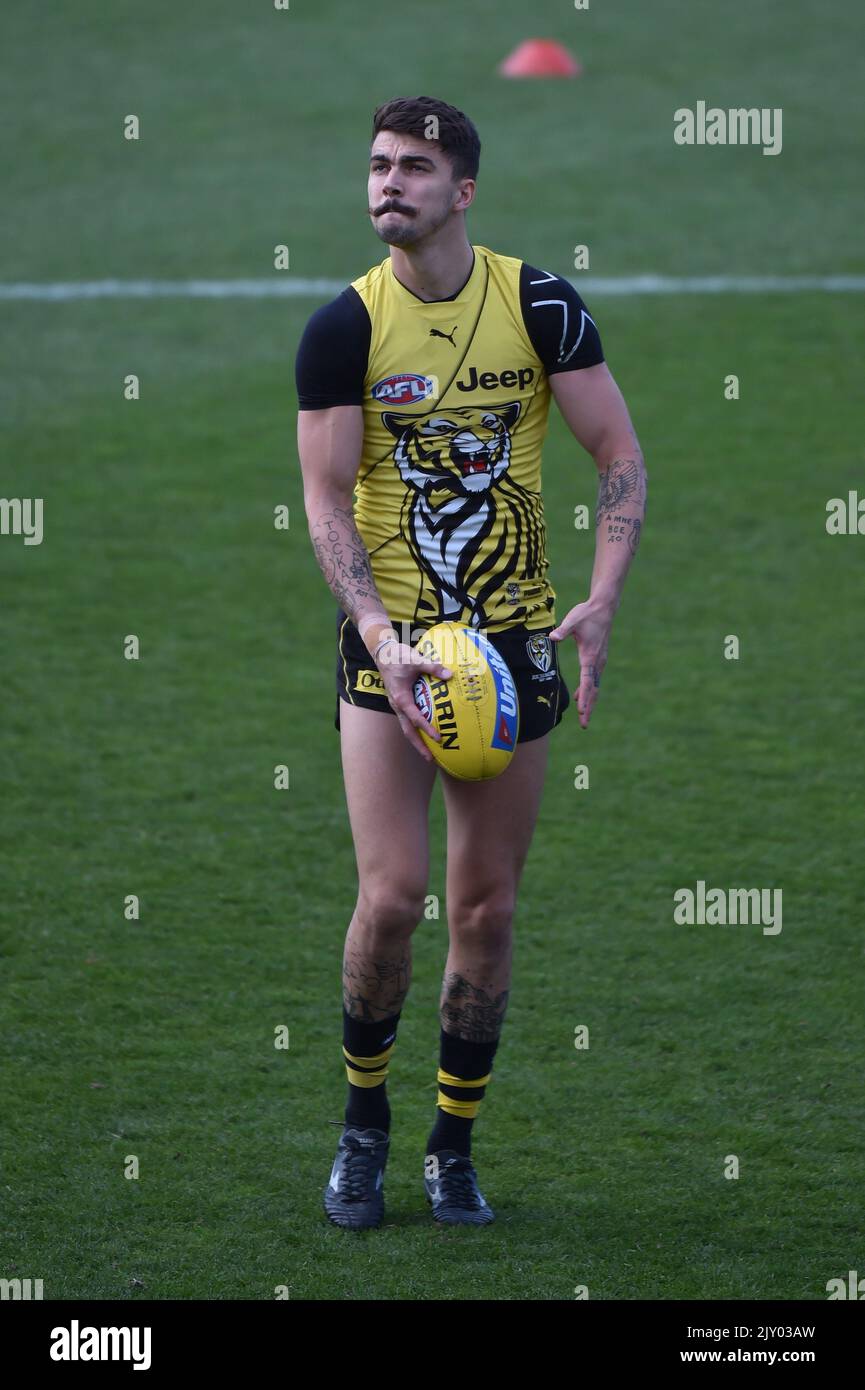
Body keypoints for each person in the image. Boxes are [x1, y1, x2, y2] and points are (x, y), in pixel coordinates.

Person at [295, 95, 646, 1230]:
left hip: (509, 647)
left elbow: (616, 451)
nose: (385, 183)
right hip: (389, 651)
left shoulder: (537, 305)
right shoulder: (343, 328)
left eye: (413, 167)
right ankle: (363, 1128)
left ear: (463, 192)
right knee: (393, 897)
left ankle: (452, 1144)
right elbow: (327, 501)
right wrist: (381, 639)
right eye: (377, 164)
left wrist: (601, 598)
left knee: (485, 912)